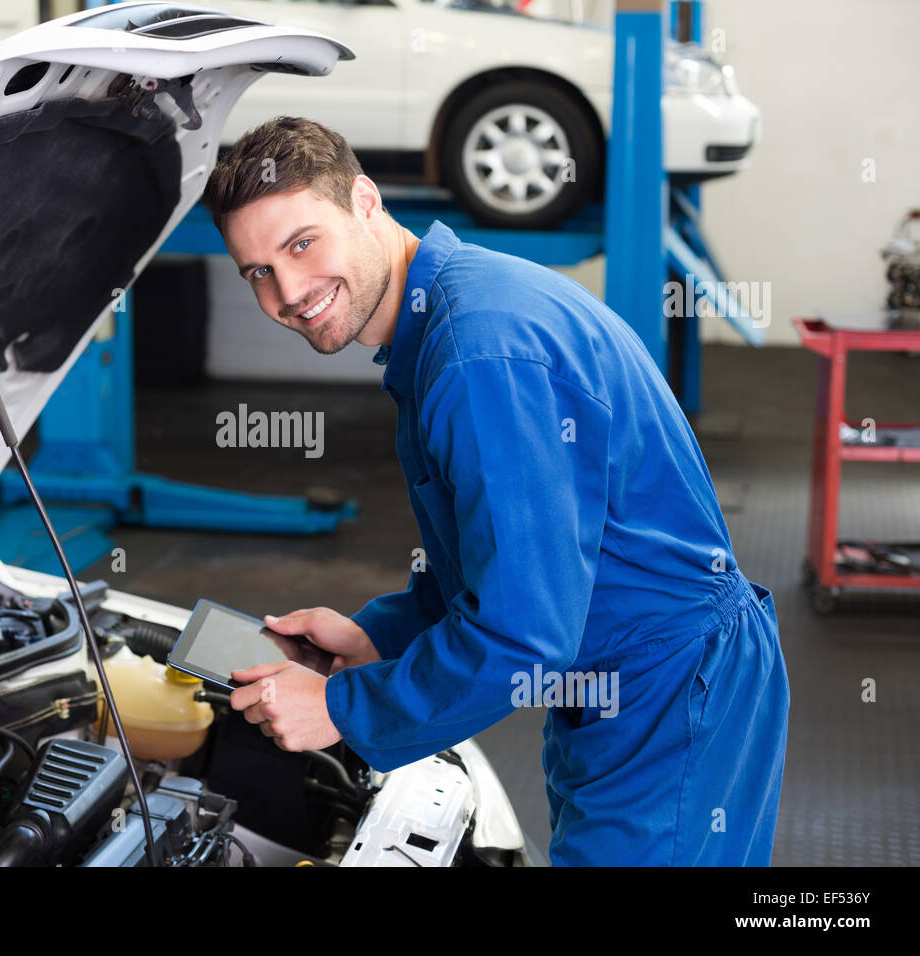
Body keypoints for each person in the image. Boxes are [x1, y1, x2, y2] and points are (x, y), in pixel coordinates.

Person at [199, 116, 790, 865]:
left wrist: (341, 709)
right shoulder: (450, 311)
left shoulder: (479, 355)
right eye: (257, 271)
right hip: (624, 678)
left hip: (666, 694)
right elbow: (509, 556)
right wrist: (381, 634)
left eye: (301, 243)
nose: (287, 291)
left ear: (366, 201)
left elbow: (524, 632)